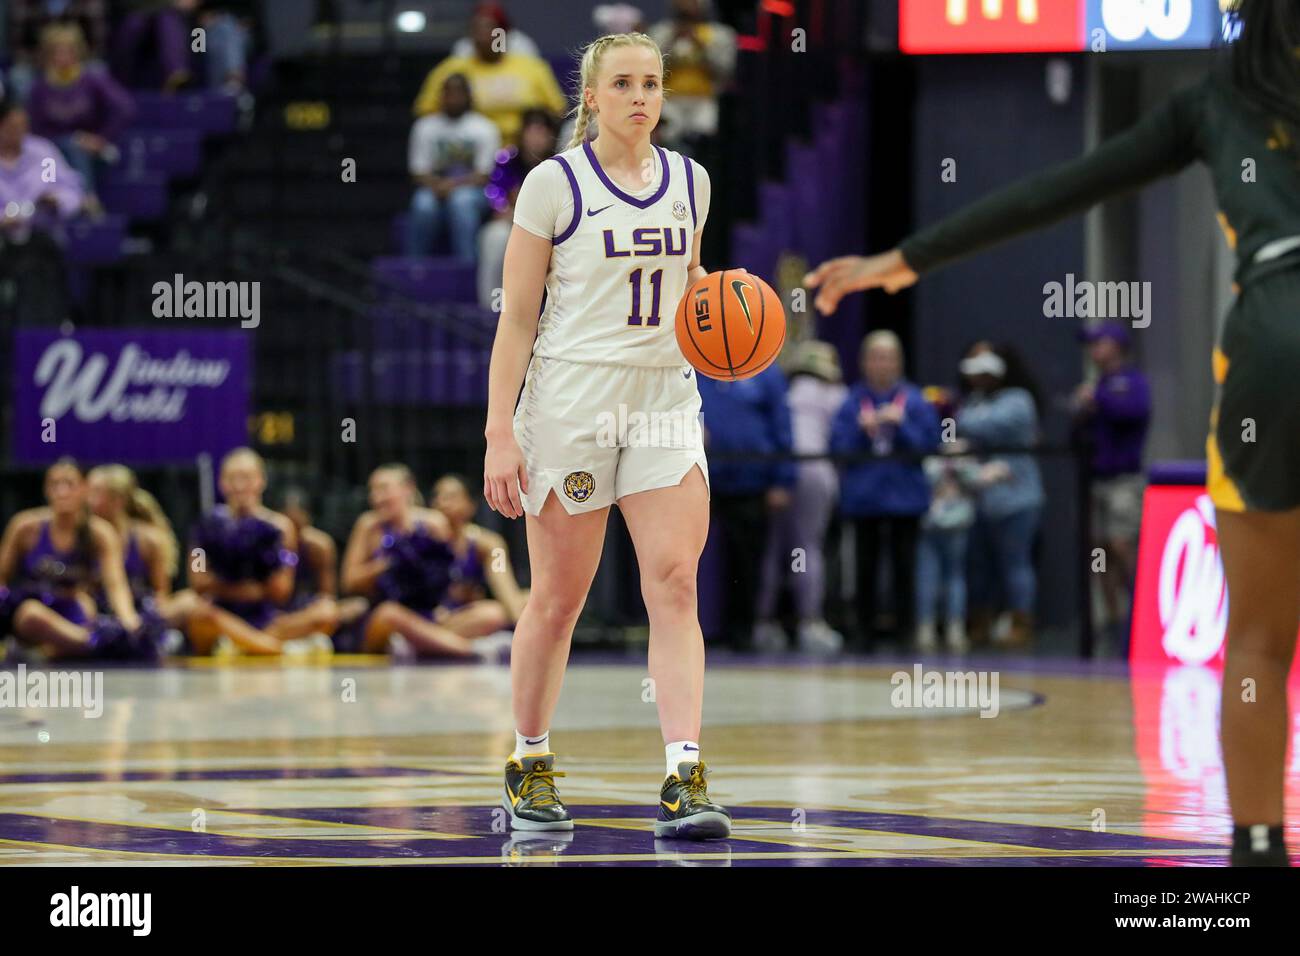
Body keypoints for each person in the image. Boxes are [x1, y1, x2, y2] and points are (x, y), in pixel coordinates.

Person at [806, 0, 1300, 866]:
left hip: (1274, 335)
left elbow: (1054, 191)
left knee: (1259, 641)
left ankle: (1256, 856)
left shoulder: (1222, 93)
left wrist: (904, 259)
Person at [482, 32, 731, 839]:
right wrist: (498, 433)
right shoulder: (553, 185)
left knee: (676, 584)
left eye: (652, 84)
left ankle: (684, 776)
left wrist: (726, 327)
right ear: (590, 97)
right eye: (622, 83)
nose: (639, 97)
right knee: (559, 602)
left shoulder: (692, 181)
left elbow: (693, 289)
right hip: (571, 399)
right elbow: (516, 319)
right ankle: (529, 759)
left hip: (663, 395)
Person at [829, 330, 940, 648]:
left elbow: (930, 445)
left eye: (888, 358)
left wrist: (901, 425)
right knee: (864, 569)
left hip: (905, 499)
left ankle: (906, 632)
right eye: (875, 357)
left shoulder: (915, 400)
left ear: (899, 362)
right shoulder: (852, 401)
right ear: (864, 362)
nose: (882, 364)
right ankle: (863, 632)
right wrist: (863, 432)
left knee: (905, 568)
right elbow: (837, 446)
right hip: (864, 499)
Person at [340, 464, 505, 659]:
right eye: (372, 491)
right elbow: (349, 582)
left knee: (493, 612)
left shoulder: (433, 523)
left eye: (383, 489)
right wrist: (388, 564)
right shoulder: (368, 525)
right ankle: (469, 651)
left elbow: (449, 573)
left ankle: (420, 644)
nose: (376, 497)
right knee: (390, 614)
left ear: (407, 488)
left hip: (431, 616)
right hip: (386, 616)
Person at [188, 448, 335, 656]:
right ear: (221, 483)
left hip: (270, 617)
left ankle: (242, 645)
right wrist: (246, 590)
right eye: (233, 478)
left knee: (326, 613)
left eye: (246, 478)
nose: (239, 486)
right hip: (222, 614)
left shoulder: (281, 527)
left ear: (260, 481)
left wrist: (229, 587)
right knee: (197, 613)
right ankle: (278, 649)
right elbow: (199, 581)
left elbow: (281, 589)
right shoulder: (205, 526)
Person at [753, 340, 847, 654]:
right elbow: (844, 438)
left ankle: (764, 625)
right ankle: (809, 623)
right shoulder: (836, 396)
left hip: (780, 469)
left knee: (775, 548)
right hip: (816, 468)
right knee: (807, 546)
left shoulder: (785, 392)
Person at [0, 459, 145, 659]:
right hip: (34, 613)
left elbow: (116, 584)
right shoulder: (25, 527)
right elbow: (2, 578)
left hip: (76, 610)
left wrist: (130, 623)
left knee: (84, 605)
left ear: (84, 489)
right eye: (55, 484)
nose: (62, 491)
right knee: (30, 614)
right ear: (46, 489)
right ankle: (94, 644)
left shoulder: (100, 533)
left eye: (69, 484)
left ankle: (67, 647)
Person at [696, 362, 795, 651]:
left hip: (752, 482)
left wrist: (783, 480)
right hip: (703, 482)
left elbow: (782, 425)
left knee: (748, 561)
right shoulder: (697, 370)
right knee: (700, 560)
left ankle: (743, 631)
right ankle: (705, 630)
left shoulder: (766, 373)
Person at [1071, 322, 1151, 652]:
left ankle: (1141, 608)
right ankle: (1113, 621)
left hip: (1123, 480)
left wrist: (1097, 399)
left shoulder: (1130, 382)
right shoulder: (1097, 385)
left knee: (1121, 543)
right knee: (1100, 552)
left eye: (1099, 344)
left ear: (1117, 347)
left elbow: (1131, 412)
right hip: (1096, 481)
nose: (1093, 351)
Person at [412, 6, 566, 148]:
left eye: (490, 30)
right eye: (477, 31)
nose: (482, 37)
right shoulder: (452, 69)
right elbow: (424, 110)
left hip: (522, 151)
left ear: (504, 34)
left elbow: (557, 109)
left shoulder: (532, 67)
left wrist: (534, 129)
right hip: (469, 150)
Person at [26, 22, 133, 203]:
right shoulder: (39, 87)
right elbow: (35, 128)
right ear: (47, 55)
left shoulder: (93, 79)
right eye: (57, 52)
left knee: (78, 149)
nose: (62, 57)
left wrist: (102, 138)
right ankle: (74, 199)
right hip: (52, 151)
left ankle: (86, 198)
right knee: (63, 150)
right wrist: (64, 141)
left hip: (90, 149)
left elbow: (125, 108)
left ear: (78, 52)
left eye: (68, 51)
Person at [0, 97, 85, 322]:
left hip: (40, 240)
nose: (18, 133)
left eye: (22, 127)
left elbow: (67, 189)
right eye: (11, 128)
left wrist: (56, 199)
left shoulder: (42, 155)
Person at [405, 72, 498, 260]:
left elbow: (484, 174)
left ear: (469, 96)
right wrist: (439, 185)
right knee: (423, 205)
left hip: (474, 191)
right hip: (434, 187)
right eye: (449, 93)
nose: (453, 99)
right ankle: (415, 266)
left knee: (461, 203)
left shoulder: (484, 127)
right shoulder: (425, 127)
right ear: (441, 96)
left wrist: (452, 185)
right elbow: (417, 172)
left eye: (459, 94)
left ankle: (466, 266)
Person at [431, 473, 529, 637]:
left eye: (451, 497)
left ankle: (522, 635)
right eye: (438, 497)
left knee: (529, 601)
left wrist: (518, 618)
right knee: (494, 614)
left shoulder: (490, 544)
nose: (442, 502)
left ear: (471, 505)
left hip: (467, 615)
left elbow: (505, 587)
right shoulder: (424, 537)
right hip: (432, 616)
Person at [478, 107, 558, 308]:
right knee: (494, 238)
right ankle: (491, 307)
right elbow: (495, 197)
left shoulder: (560, 163)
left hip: (552, 229)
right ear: (522, 134)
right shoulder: (507, 160)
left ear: (550, 136)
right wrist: (509, 210)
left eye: (542, 131)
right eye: (531, 130)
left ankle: (554, 308)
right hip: (512, 223)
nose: (536, 137)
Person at [646, 0, 735, 152]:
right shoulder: (660, 33)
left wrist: (700, 46)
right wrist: (672, 41)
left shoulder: (720, 35)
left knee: (703, 147)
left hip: (703, 101)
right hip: (669, 102)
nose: (685, 6)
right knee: (668, 145)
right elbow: (649, 70)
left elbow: (725, 71)